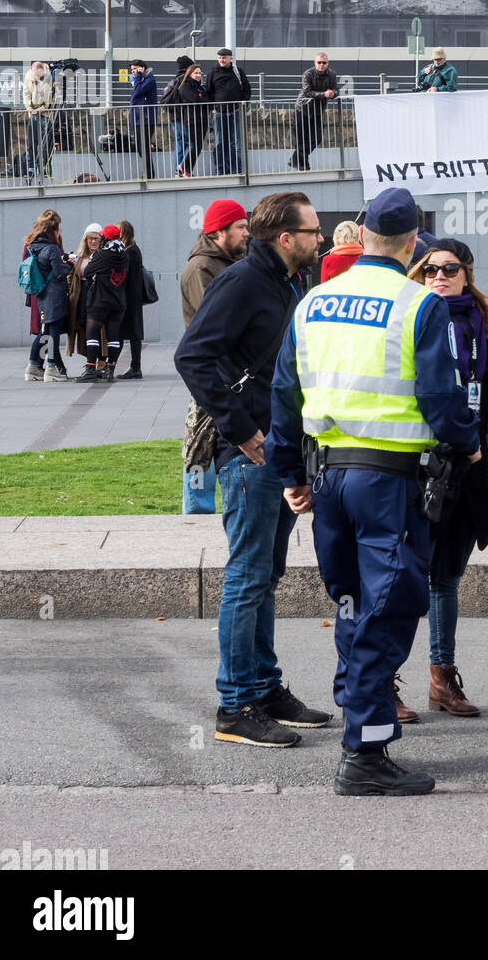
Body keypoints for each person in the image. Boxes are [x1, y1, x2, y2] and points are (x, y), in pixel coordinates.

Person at [265, 186, 480, 795]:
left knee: (353, 602)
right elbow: (441, 399)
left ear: (360, 236)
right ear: (414, 241)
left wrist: (291, 476)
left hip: (329, 477)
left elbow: (286, 395)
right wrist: (467, 441)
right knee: (388, 607)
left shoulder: (313, 302)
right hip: (390, 481)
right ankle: (364, 753)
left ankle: (363, 726)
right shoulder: (419, 305)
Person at [175, 191, 331, 747]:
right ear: (285, 238)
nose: (322, 238)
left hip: (281, 449)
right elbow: (191, 355)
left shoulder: (288, 281)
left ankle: (264, 688)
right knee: (246, 577)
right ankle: (234, 705)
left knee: (266, 576)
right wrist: (242, 432)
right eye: (313, 231)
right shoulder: (242, 281)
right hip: (249, 455)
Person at [404, 239, 488, 720]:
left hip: (470, 469)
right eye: (430, 270)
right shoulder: (405, 321)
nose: (440, 277)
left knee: (445, 578)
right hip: (415, 469)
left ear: (467, 275)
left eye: (450, 269)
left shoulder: (482, 330)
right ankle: (382, 682)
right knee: (400, 579)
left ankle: (441, 677)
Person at [179, 198, 250, 515]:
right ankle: (197, 516)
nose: (247, 233)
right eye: (241, 227)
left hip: (234, 373)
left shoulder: (230, 263)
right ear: (220, 231)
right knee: (201, 449)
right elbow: (216, 324)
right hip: (214, 375)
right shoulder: (201, 269)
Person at [22, 210, 72, 382]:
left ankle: (32, 367)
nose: (59, 233)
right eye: (58, 229)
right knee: (53, 333)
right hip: (54, 295)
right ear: (53, 231)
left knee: (44, 331)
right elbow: (59, 273)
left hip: (41, 295)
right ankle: (51, 367)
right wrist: (70, 266)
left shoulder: (33, 247)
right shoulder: (51, 248)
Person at [77, 225, 128, 382]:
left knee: (91, 332)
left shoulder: (102, 255)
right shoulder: (125, 255)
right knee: (113, 336)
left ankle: (91, 368)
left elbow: (87, 272)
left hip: (99, 301)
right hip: (118, 301)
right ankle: (110, 369)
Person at [66, 223, 105, 374]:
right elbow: (72, 275)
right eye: (90, 239)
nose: (93, 242)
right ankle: (90, 361)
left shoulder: (103, 256)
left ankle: (100, 361)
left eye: (96, 238)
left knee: (99, 329)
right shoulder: (80, 257)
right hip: (81, 296)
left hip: (98, 296)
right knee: (83, 327)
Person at [207, 48, 252, 176]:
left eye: (224, 57)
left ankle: (236, 169)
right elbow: (209, 92)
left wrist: (242, 104)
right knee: (220, 143)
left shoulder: (238, 72)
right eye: (220, 57)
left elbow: (247, 89)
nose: (222, 60)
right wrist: (213, 108)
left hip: (235, 112)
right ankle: (220, 171)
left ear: (230, 58)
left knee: (235, 142)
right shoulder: (212, 73)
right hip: (219, 113)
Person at [292, 53, 339, 172]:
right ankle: (303, 165)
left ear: (328, 63)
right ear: (315, 62)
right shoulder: (308, 74)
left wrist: (333, 94)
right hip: (303, 109)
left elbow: (336, 90)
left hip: (318, 110)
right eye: (319, 62)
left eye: (324, 63)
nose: (322, 65)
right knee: (302, 139)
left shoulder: (332, 74)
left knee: (317, 138)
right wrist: (324, 94)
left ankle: (295, 159)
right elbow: (307, 92)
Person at [22, 60, 60, 183]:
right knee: (32, 143)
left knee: (44, 144)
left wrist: (40, 110)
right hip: (33, 114)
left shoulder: (48, 78)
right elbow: (26, 94)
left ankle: (43, 167)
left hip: (46, 114)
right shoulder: (29, 76)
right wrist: (30, 109)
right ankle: (32, 167)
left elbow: (48, 102)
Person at [117, 220, 145, 380]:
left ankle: (135, 367)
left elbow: (125, 275)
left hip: (129, 297)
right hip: (133, 296)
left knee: (130, 332)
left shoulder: (130, 252)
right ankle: (130, 366)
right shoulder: (133, 249)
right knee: (127, 332)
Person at [163, 55, 197, 174]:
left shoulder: (174, 80)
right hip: (184, 117)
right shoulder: (185, 81)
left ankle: (179, 171)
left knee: (179, 144)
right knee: (192, 143)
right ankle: (183, 168)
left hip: (173, 117)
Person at [176, 63, 210, 177]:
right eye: (196, 73)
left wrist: (202, 98)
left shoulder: (200, 86)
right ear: (190, 74)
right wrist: (202, 98)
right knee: (195, 145)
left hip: (203, 119)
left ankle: (187, 169)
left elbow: (207, 99)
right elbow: (195, 99)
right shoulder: (185, 86)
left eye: (200, 73)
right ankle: (183, 167)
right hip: (192, 119)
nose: (198, 75)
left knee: (198, 146)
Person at [127, 59, 157, 178]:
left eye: (135, 69)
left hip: (145, 120)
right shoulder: (138, 81)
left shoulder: (150, 80)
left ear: (142, 68)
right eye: (132, 70)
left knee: (143, 148)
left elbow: (138, 91)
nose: (133, 72)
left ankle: (149, 175)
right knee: (140, 148)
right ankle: (147, 172)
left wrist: (138, 75)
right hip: (136, 119)